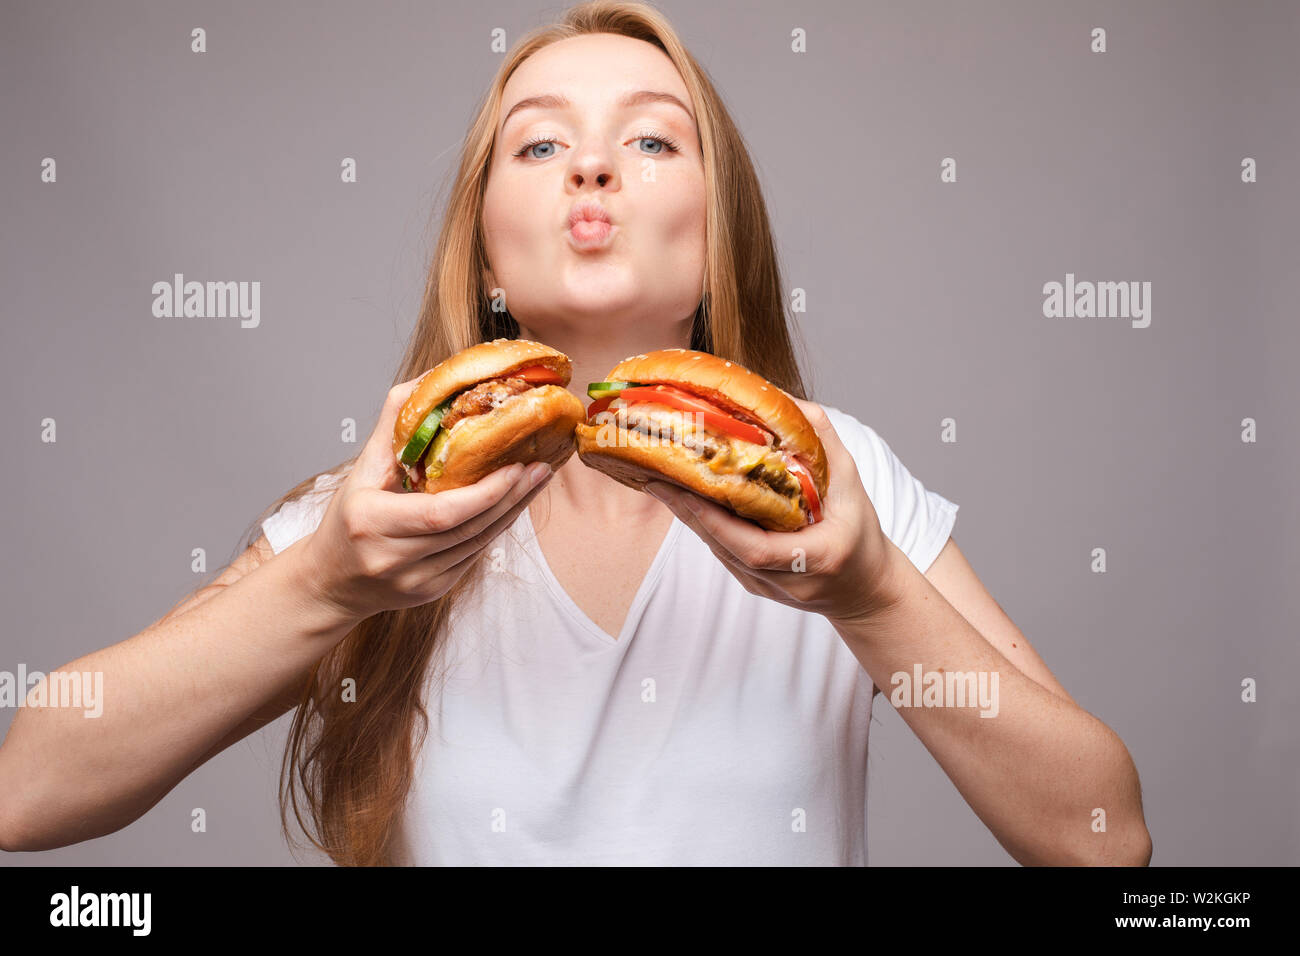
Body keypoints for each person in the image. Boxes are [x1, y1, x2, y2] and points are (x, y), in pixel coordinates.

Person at [0, 0, 1151, 866]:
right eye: (539, 144)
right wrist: (326, 584)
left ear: (714, 239)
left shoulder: (834, 480)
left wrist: (868, 592)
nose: (592, 164)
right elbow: (29, 791)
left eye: (653, 141)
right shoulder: (377, 511)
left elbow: (1104, 838)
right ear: (490, 253)